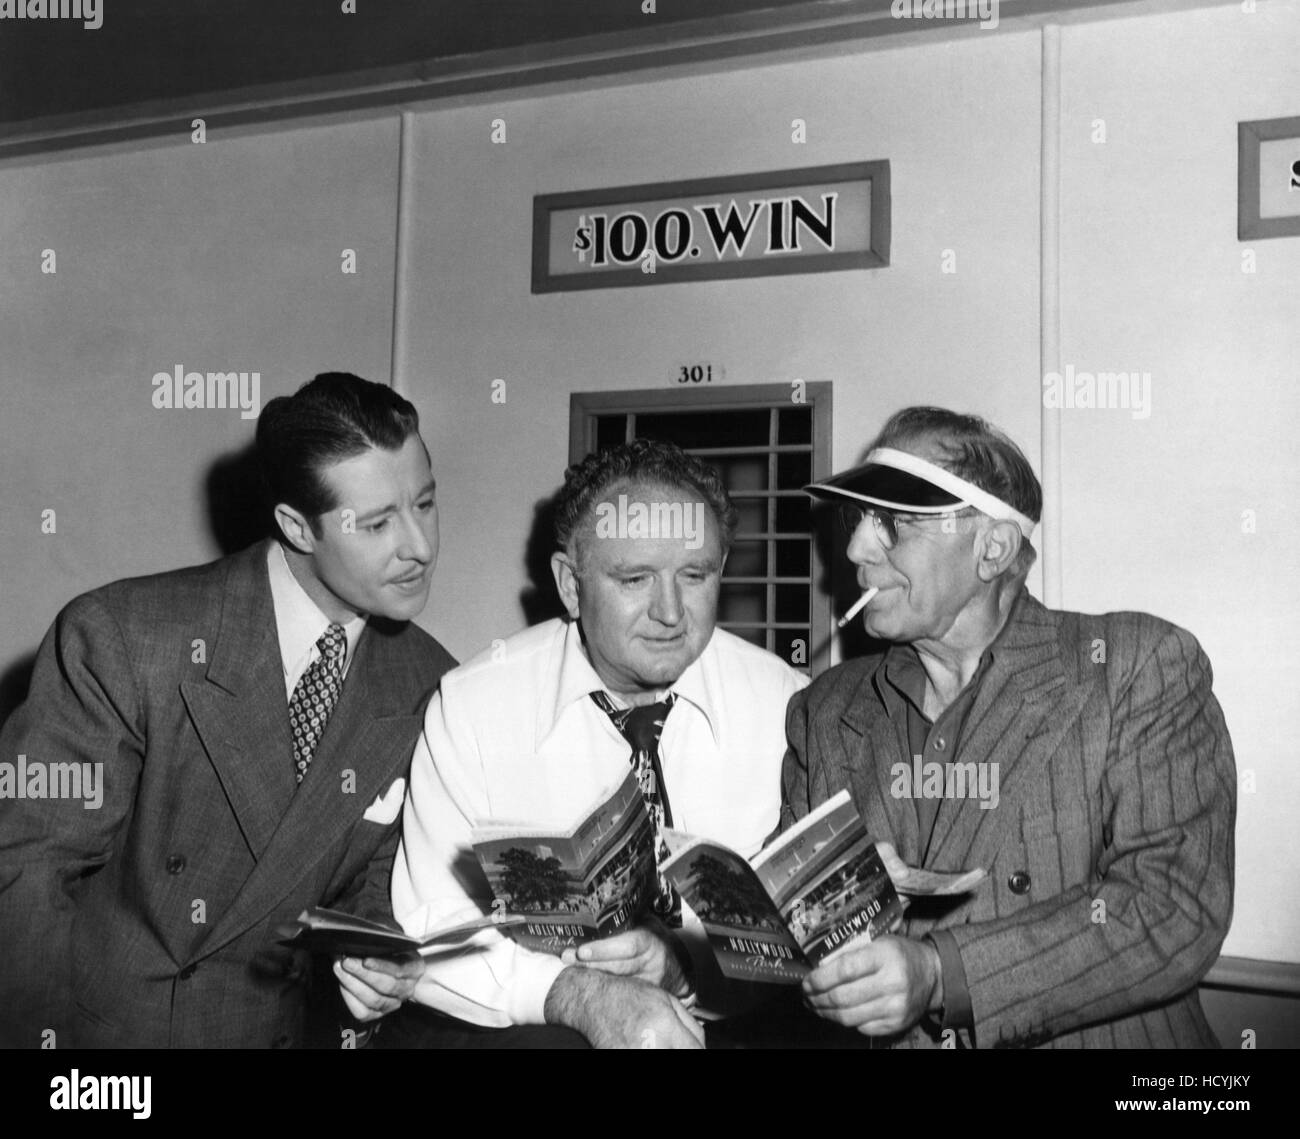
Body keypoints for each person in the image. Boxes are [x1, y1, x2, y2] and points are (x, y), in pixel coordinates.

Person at [0, 372, 455, 1048]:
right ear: (297, 526)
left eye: (425, 502)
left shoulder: (433, 682)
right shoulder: (126, 636)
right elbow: (27, 869)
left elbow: (377, 879)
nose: (419, 546)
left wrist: (379, 953)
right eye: (379, 522)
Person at [783, 406, 1236, 1048]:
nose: (856, 547)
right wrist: (840, 900)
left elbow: (1173, 909)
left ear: (991, 547)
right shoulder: (826, 710)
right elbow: (793, 924)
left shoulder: (1135, 667)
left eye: (894, 522)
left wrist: (942, 974)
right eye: (857, 519)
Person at [388, 439, 809, 1048]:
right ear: (569, 584)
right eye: (634, 578)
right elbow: (432, 927)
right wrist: (576, 996)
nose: (671, 612)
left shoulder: (786, 703)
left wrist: (685, 968)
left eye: (695, 575)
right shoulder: (473, 707)